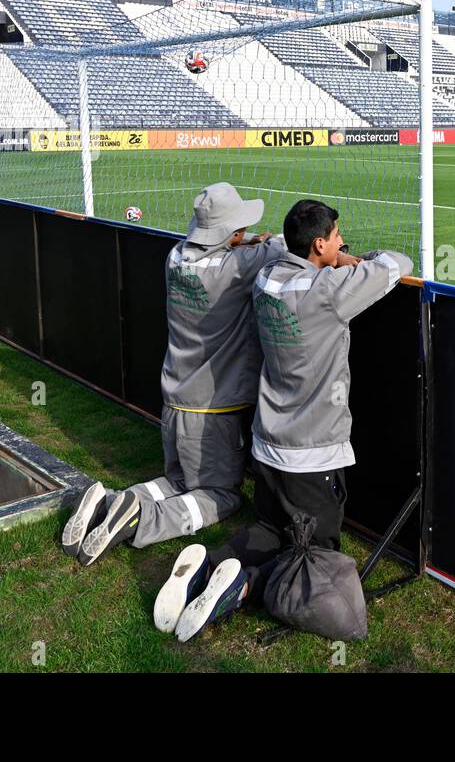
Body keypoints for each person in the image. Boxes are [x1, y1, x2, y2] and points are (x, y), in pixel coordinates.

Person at [163, 199, 414, 642]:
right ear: (320, 244)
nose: (341, 243)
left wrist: (332, 260)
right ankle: (244, 588)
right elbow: (397, 263)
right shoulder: (328, 291)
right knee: (315, 554)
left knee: (269, 527)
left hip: (267, 443)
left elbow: (281, 255)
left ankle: (206, 566)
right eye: (337, 238)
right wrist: (355, 261)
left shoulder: (265, 277)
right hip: (312, 454)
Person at [63, 183, 293, 568]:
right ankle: (142, 520)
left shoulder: (176, 258)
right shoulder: (238, 265)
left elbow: (224, 244)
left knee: (181, 482)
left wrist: (239, 236)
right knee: (222, 493)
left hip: (173, 398)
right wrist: (253, 238)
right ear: (230, 235)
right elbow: (289, 244)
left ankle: (110, 502)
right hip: (212, 409)